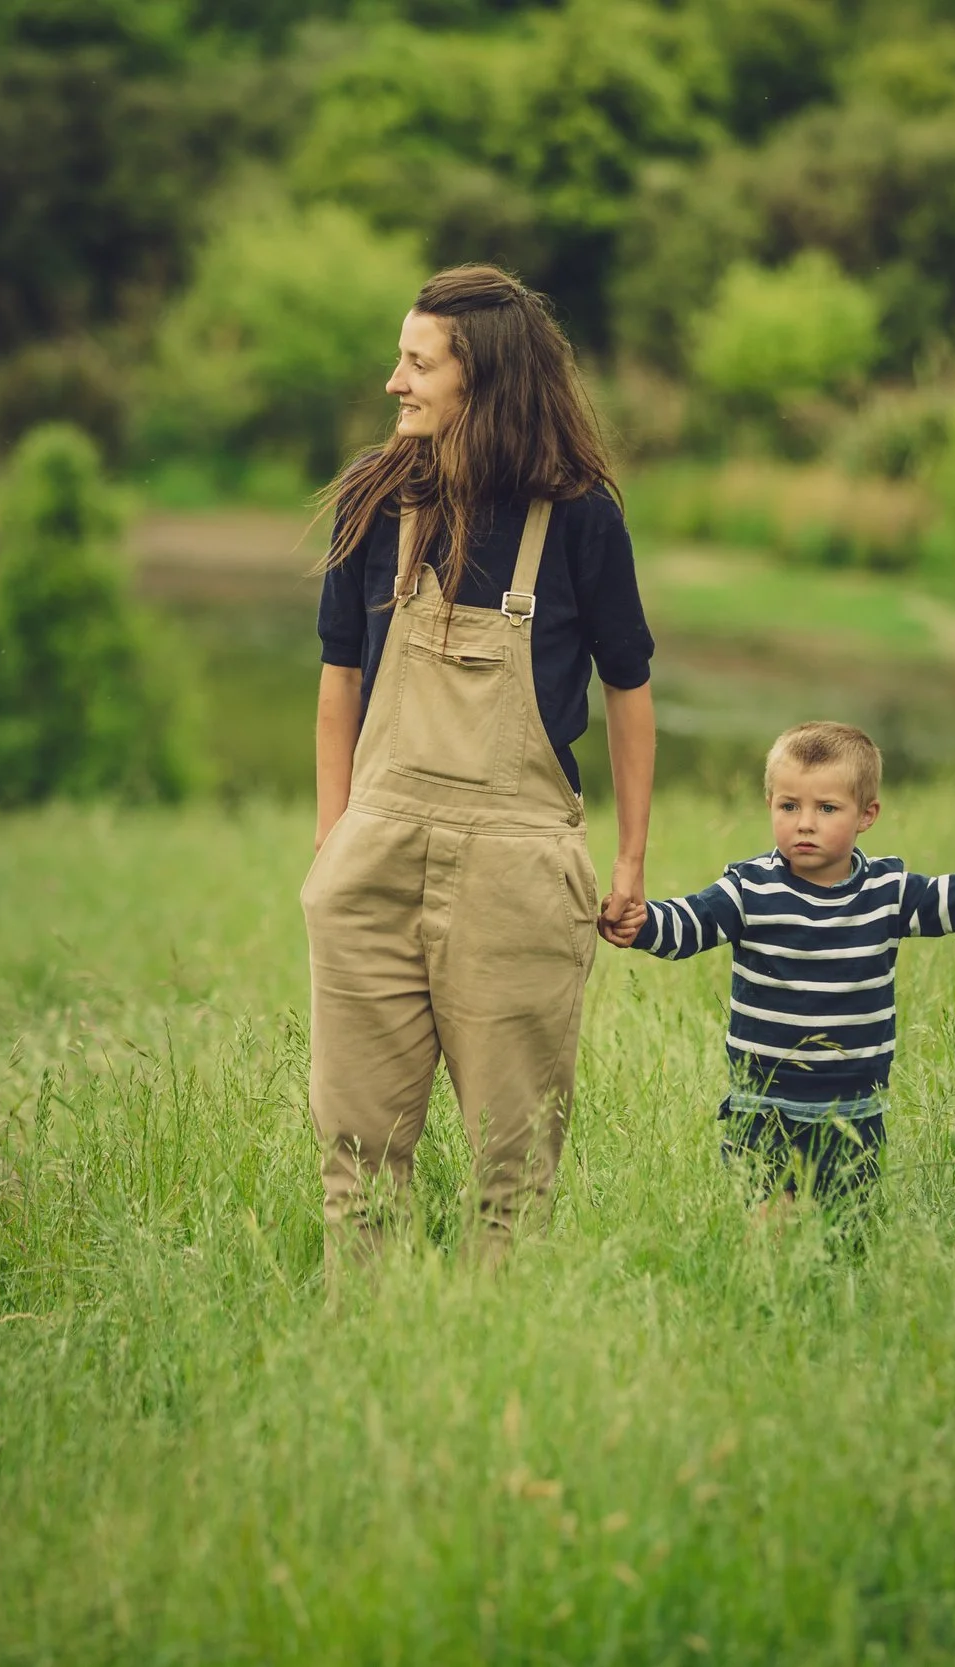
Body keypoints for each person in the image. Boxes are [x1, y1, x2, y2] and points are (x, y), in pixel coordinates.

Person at [305, 264, 656, 1270]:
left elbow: (628, 690)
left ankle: (494, 1370)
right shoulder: (374, 499)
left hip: (515, 866)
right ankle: (364, 1358)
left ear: (482, 380)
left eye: (416, 363)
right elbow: (338, 680)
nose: (393, 382)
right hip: (373, 853)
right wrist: (333, 844)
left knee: (514, 1168)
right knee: (357, 1160)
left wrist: (630, 860)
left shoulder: (581, 517)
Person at [603, 722, 955, 1215]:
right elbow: (689, 923)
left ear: (866, 814)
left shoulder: (888, 893)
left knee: (844, 1237)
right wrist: (640, 922)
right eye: (789, 806)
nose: (804, 823)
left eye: (826, 808)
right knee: (772, 1233)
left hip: (853, 1113)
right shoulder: (750, 889)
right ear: (770, 805)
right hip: (763, 1106)